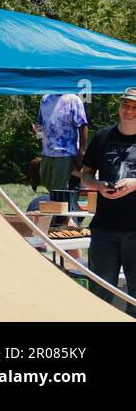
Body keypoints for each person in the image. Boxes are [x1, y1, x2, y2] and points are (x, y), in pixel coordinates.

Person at [78, 87, 136, 313]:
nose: (128, 110)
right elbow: (85, 174)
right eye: (125, 105)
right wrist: (98, 186)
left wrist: (134, 183)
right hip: (104, 228)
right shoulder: (103, 136)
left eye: (134, 107)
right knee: (100, 291)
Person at [34, 92, 89, 194]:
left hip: (65, 153)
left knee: (59, 190)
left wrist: (82, 151)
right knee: (46, 183)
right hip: (46, 152)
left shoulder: (73, 99)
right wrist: (37, 131)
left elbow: (83, 126)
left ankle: (61, 206)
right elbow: (40, 123)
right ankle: (57, 203)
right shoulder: (46, 98)